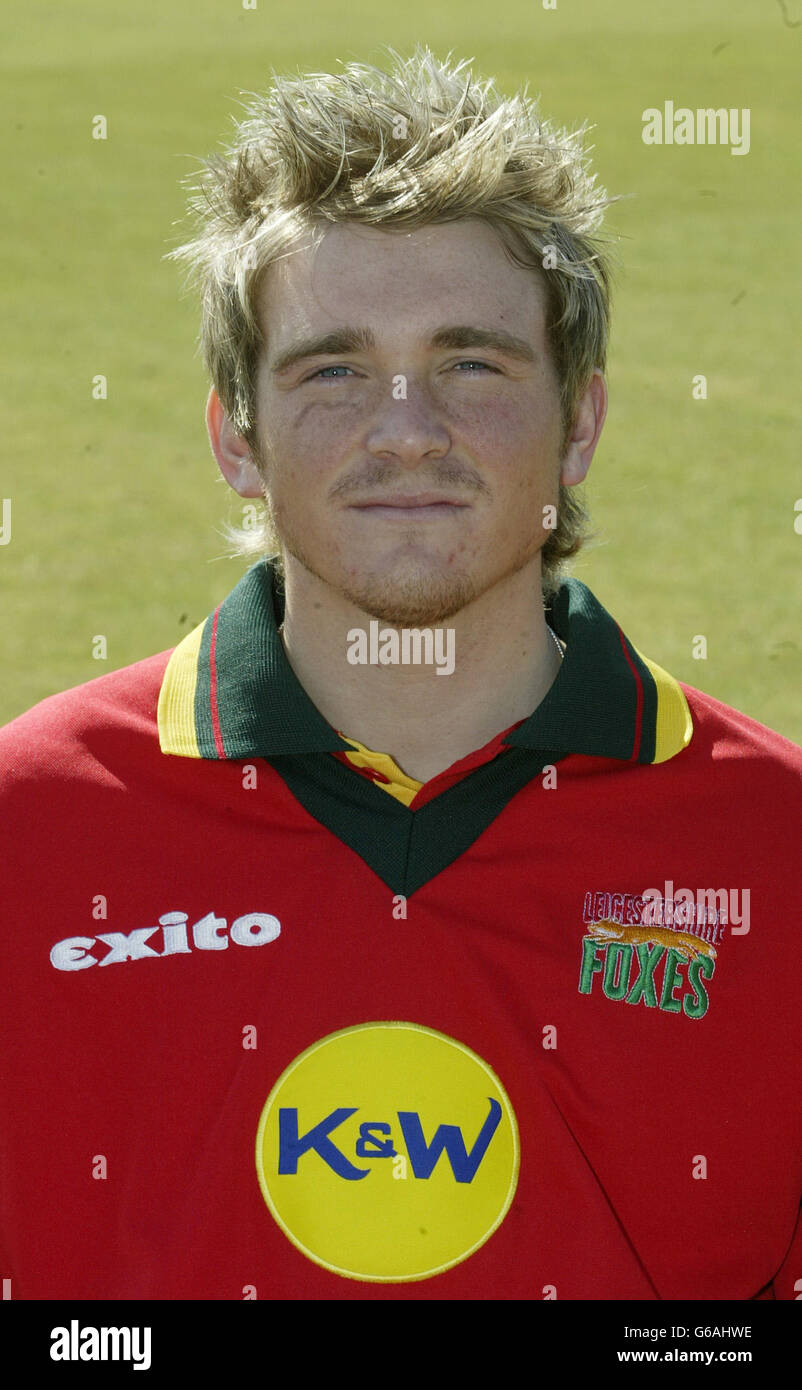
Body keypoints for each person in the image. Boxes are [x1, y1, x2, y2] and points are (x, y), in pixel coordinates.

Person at [1, 47, 800, 1302]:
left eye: (471, 363)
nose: (405, 427)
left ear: (579, 420)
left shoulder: (771, 840)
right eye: (331, 368)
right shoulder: (30, 823)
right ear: (237, 437)